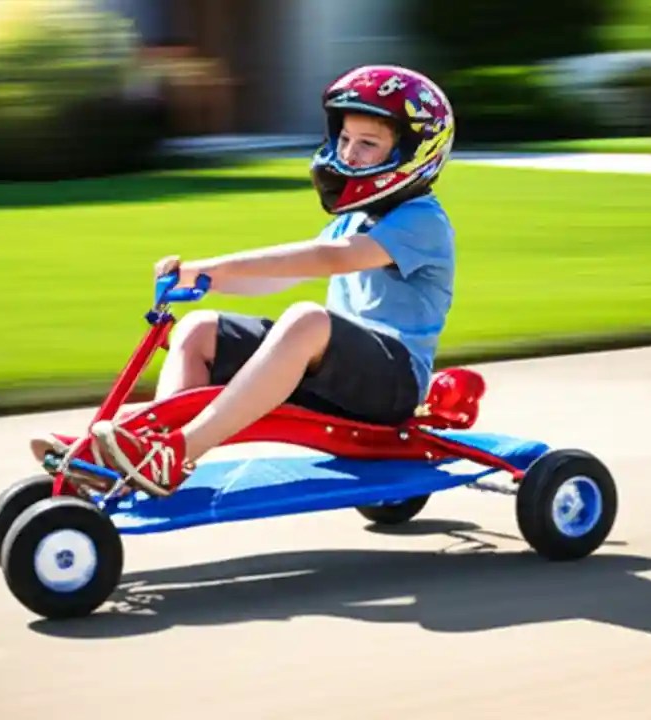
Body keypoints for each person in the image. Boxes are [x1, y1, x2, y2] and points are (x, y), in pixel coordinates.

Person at [35, 65, 457, 497]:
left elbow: (329, 259)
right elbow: (278, 279)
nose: (349, 155)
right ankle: (143, 446)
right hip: (335, 378)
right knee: (198, 330)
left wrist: (218, 266)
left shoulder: (421, 219)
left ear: (414, 154)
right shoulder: (358, 217)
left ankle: (178, 454)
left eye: (368, 144)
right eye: (345, 140)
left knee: (307, 320)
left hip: (393, 385)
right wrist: (206, 281)